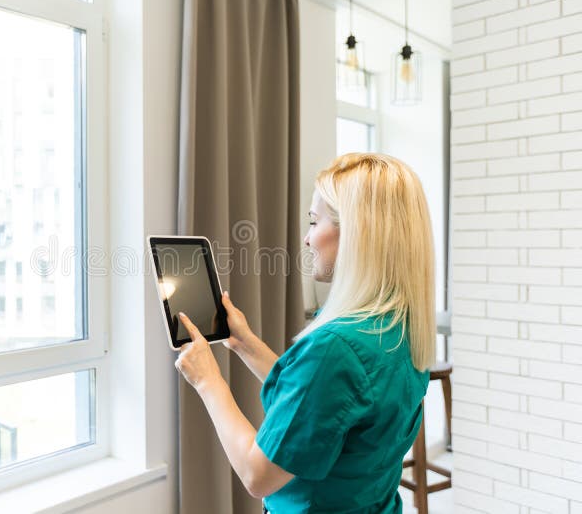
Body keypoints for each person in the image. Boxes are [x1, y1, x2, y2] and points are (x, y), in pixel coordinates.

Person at [175, 153, 436, 513]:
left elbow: (257, 474)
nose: (307, 238)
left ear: (356, 234)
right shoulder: (399, 327)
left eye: (314, 222)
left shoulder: (335, 348)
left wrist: (208, 380)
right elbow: (323, 403)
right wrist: (245, 344)